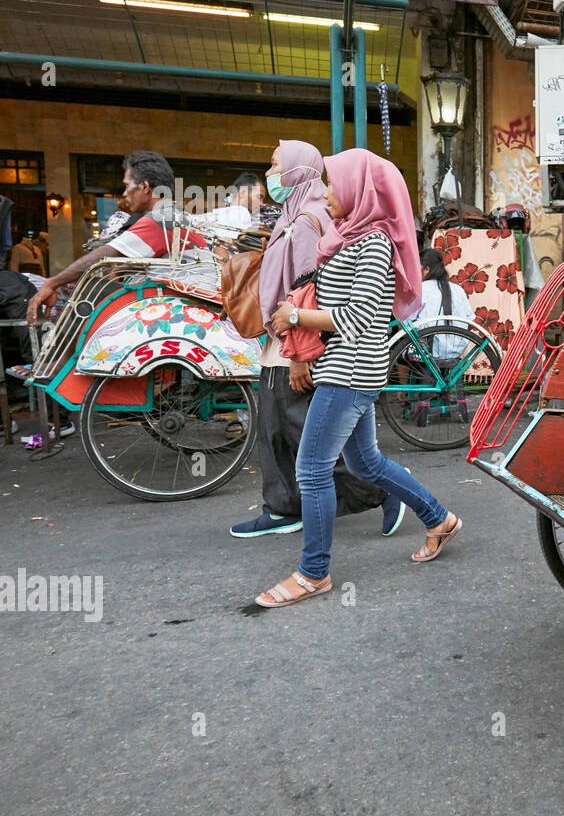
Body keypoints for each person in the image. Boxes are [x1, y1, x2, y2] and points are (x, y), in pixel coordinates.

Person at [256, 148, 461, 608]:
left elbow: (362, 315)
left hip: (349, 371)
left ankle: (314, 573)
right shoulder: (350, 237)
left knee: (311, 471)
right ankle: (439, 518)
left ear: (358, 191)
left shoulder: (373, 243)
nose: (327, 193)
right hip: (348, 368)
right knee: (366, 464)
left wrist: (297, 316)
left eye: (334, 184)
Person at [230, 140, 395, 538]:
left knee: (303, 438)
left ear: (296, 170)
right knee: (278, 430)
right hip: (282, 335)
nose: (270, 173)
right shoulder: (296, 212)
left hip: (294, 341)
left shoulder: (308, 219)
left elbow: (308, 288)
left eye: (275, 165)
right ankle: (284, 508)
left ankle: (380, 491)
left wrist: (297, 353)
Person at [25, 151, 205, 325]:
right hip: (183, 295)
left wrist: (52, 283)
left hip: (176, 301)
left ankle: (72, 354)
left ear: (144, 186)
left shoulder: (160, 218)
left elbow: (105, 254)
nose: (125, 194)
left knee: (89, 294)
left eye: (127, 186)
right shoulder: (174, 217)